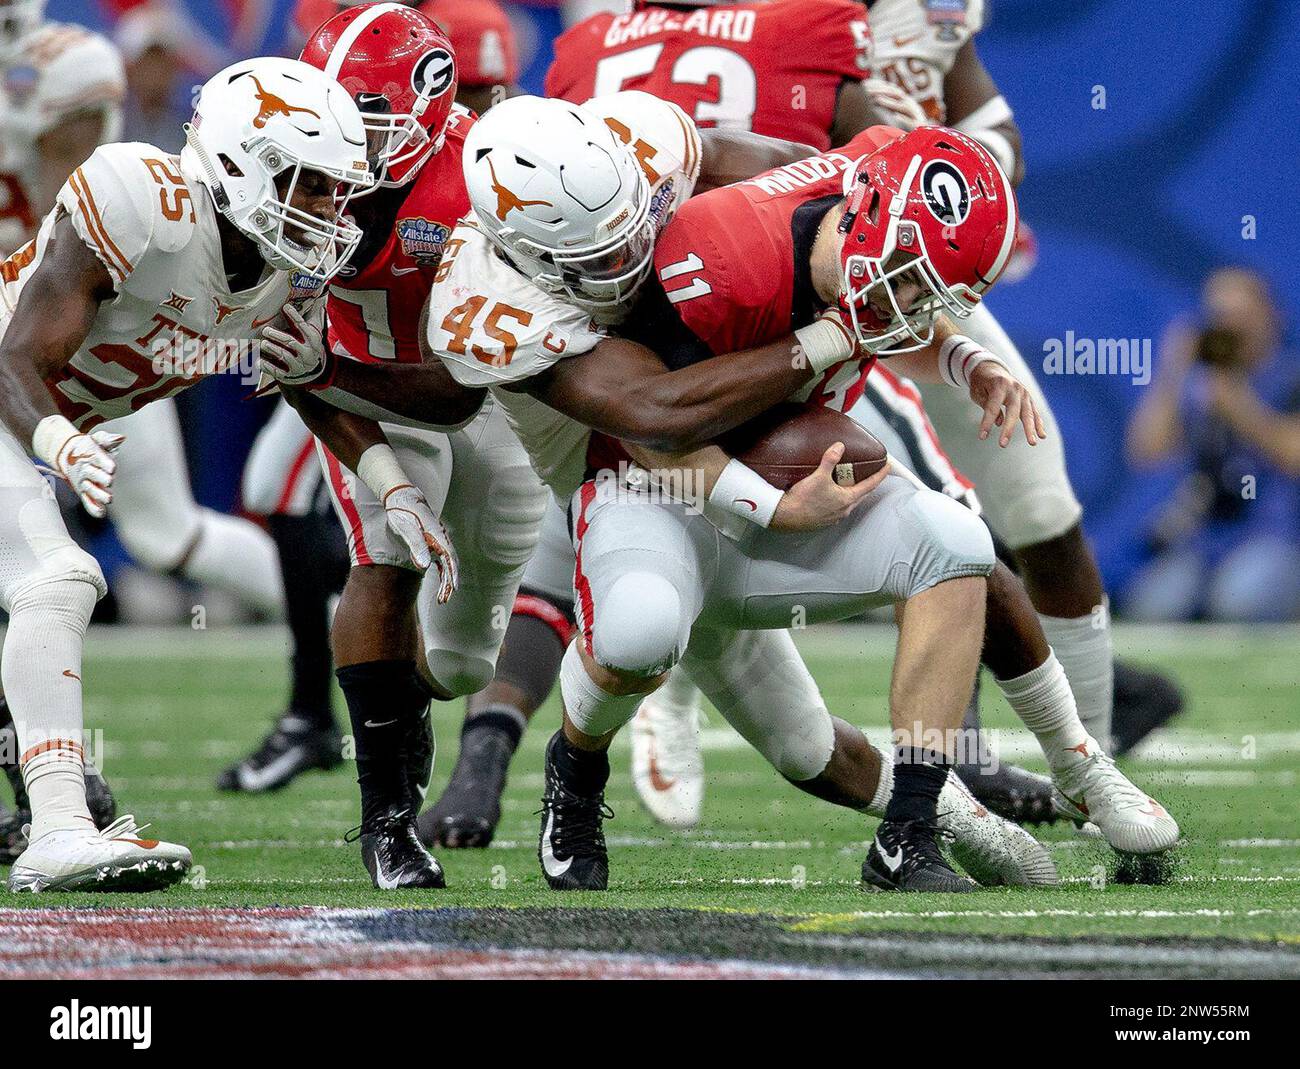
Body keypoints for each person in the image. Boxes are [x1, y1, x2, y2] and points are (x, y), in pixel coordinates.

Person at [417, 103, 1177, 890]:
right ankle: (574, 772)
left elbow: (804, 184)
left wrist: (962, 359)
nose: (630, 257)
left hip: (762, 478)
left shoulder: (812, 182)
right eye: (907, 282)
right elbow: (651, 426)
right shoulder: (642, 275)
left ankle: (939, 819)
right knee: (607, 640)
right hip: (640, 488)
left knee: (957, 544)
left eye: (928, 290)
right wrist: (774, 493)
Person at [0, 54, 373, 891]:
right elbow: (15, 354)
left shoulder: (282, 273)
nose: (330, 209)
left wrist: (386, 478)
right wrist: (58, 443)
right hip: (17, 387)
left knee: (160, 531)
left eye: (336, 188)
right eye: (310, 184)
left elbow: (308, 392)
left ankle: (51, 796)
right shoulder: (143, 198)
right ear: (241, 164)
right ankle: (58, 829)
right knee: (57, 576)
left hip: (101, 402)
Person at [1126, 267, 1300, 624]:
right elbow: (1146, 451)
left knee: (1239, 603)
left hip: (1274, 538)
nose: (1232, 329)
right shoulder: (1196, 387)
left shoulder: (1290, 377)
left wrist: (1239, 407)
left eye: (1243, 318)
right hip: (1201, 542)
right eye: (1221, 318)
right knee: (1153, 608)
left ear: (1271, 319)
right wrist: (1172, 371)